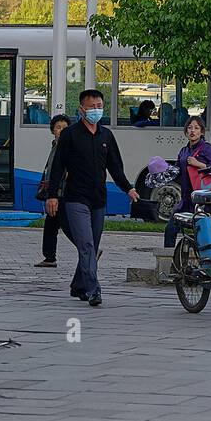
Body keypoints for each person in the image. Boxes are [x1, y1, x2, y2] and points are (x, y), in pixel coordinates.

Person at [45, 89, 140, 307]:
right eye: (91, 107)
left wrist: (128, 188)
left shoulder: (106, 135)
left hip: (98, 199)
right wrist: (53, 196)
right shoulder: (70, 135)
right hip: (75, 198)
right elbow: (57, 166)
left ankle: (78, 285)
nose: (96, 110)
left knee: (92, 244)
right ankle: (93, 289)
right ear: (81, 109)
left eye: (99, 106)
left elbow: (115, 166)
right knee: (86, 245)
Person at [163, 116, 211, 253]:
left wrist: (199, 164)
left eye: (196, 128)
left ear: (202, 131)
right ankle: (170, 260)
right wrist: (162, 171)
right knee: (170, 229)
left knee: (207, 234)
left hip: (203, 202)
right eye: (189, 128)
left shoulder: (207, 149)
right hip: (186, 200)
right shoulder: (184, 151)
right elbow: (176, 171)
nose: (192, 131)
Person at [35, 114, 76, 268]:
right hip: (54, 190)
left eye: (65, 128)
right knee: (51, 224)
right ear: (53, 130)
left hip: (62, 192)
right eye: (58, 127)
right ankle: (49, 257)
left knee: (65, 224)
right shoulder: (55, 145)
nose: (61, 130)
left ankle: (89, 249)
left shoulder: (69, 147)